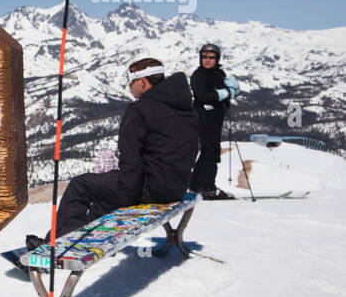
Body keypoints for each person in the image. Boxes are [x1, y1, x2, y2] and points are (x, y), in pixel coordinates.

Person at [27, 58, 199, 248]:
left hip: (150, 188)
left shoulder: (139, 110)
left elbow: (131, 161)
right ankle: (73, 237)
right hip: (175, 188)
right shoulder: (184, 107)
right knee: (104, 199)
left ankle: (57, 244)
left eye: (131, 81)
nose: (129, 86)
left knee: (80, 185)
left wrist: (124, 201)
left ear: (143, 82)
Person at [188, 43, 240, 200]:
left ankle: (196, 185)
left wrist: (231, 92)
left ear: (217, 59)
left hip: (214, 117)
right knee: (211, 151)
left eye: (211, 57)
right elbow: (204, 96)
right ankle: (208, 188)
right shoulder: (198, 75)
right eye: (204, 57)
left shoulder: (218, 74)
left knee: (207, 151)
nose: (207, 60)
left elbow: (222, 94)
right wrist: (225, 92)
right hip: (204, 116)